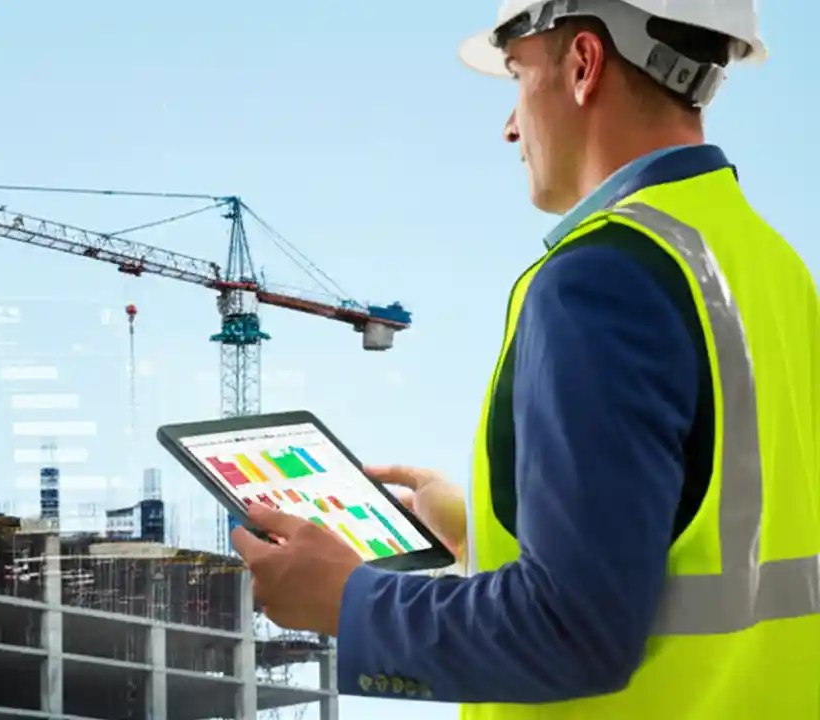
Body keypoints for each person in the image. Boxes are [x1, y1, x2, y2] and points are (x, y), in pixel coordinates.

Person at [230, 0, 820, 717]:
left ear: (581, 65)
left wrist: (354, 604)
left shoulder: (600, 277)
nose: (510, 125)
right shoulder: (768, 262)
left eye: (517, 76)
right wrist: (484, 532)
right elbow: (708, 539)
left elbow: (570, 632)